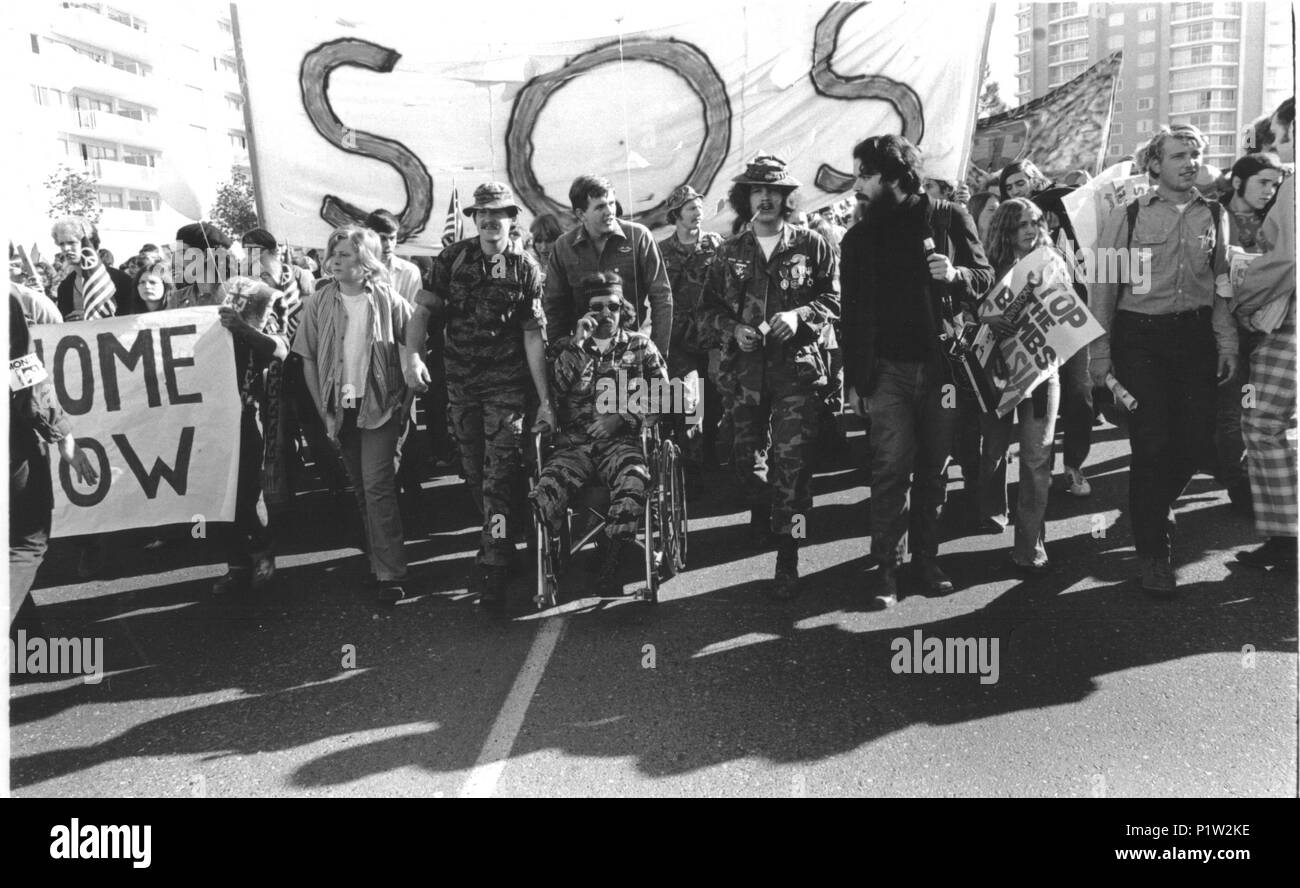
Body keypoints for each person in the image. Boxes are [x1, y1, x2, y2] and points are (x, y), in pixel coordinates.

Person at [841, 135, 993, 607]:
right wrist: (853, 381)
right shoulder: (858, 238)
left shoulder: (947, 217)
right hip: (886, 371)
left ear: (894, 177)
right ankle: (886, 567)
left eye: (865, 174)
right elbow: (851, 315)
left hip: (942, 368)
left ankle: (926, 559)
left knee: (934, 468)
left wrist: (956, 275)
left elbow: (985, 277)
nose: (857, 185)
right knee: (890, 468)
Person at [1090, 123, 1237, 597]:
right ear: (1154, 164)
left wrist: (1227, 341)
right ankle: (1153, 553)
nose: (1189, 162)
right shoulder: (1128, 215)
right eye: (1178, 155)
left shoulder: (1214, 214)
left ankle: (1155, 508)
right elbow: (1104, 289)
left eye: (1195, 153)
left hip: (1195, 338)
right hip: (1141, 340)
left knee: (1196, 442)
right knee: (1151, 445)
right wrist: (1100, 355)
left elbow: (1221, 286)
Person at [403, 182, 554, 608]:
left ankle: (494, 561)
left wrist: (543, 399)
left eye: (498, 213)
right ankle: (509, 531)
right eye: (481, 213)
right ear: (474, 218)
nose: (489, 220)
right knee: (472, 473)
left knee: (499, 475)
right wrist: (413, 356)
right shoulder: (453, 259)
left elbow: (531, 336)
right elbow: (423, 312)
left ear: (511, 218)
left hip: (506, 389)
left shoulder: (524, 267)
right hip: (461, 387)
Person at [697, 154, 840, 599]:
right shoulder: (728, 252)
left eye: (774, 192)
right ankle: (769, 515)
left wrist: (800, 317)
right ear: (745, 198)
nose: (765, 198)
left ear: (786, 198)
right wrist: (732, 329)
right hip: (743, 378)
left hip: (795, 374)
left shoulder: (812, 245)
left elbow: (833, 301)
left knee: (793, 465)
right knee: (744, 463)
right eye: (757, 190)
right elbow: (706, 312)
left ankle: (789, 551)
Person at [293, 226, 413, 605]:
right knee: (361, 487)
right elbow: (308, 358)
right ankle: (378, 564)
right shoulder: (318, 301)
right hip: (340, 409)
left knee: (377, 486)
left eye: (345, 254)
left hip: (379, 405)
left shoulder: (387, 299)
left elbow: (414, 343)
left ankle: (392, 572)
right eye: (333, 253)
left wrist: (406, 400)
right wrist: (324, 412)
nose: (336, 260)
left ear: (365, 262)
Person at [529, 273, 669, 597]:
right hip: (574, 446)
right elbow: (552, 393)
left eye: (613, 307)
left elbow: (666, 396)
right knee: (544, 492)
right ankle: (551, 564)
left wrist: (621, 417)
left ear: (624, 310)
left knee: (634, 479)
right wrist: (578, 346)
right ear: (585, 311)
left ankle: (613, 560)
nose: (606, 314)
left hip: (620, 443)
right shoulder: (567, 347)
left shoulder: (639, 345)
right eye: (597, 307)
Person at [976, 199, 1066, 572]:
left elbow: (1068, 313)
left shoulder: (1053, 261)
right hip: (997, 373)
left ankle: (1030, 544)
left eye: (1035, 222)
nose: (1030, 229)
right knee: (992, 453)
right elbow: (972, 309)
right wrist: (991, 319)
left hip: (1043, 373)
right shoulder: (987, 265)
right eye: (1020, 224)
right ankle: (993, 509)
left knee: (1036, 459)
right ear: (1005, 229)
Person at [1232, 97, 1297, 572]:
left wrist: (1240, 300)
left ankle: (1285, 537)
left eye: (1280, 134)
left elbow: (1286, 259)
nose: (1276, 144)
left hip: (1287, 320)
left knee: (1262, 424)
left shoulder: (1295, 186)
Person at [10, 295, 98, 626]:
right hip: (13, 449)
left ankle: (27, 641)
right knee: (24, 545)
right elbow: (31, 388)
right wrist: (66, 439)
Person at [1214, 152, 1285, 513]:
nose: (1270, 191)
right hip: (1226, 333)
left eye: (1275, 184)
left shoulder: (1277, 220)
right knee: (1232, 411)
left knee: (1257, 409)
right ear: (1239, 181)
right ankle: (1238, 484)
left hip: (1268, 332)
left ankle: (1250, 477)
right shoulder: (1213, 215)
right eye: (1263, 182)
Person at [211, 276, 291, 595]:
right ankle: (237, 566)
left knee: (244, 494)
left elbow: (280, 349)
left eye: (190, 255)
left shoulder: (248, 295)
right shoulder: (179, 301)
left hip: (242, 412)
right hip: (204, 417)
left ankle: (262, 552)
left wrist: (242, 328)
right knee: (217, 500)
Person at [543, 174, 673, 358]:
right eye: (600, 207)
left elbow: (662, 297)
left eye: (611, 203)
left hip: (634, 352)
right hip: (585, 356)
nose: (610, 211)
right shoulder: (564, 247)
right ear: (581, 214)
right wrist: (561, 354)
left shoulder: (639, 238)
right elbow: (553, 306)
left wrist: (657, 353)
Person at [657, 184, 725, 482]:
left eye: (699, 207)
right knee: (688, 405)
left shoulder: (716, 244)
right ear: (677, 215)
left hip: (711, 338)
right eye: (690, 209)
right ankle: (692, 470)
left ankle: (710, 456)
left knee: (715, 403)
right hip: (679, 341)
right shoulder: (663, 251)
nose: (697, 213)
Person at [51, 216, 142, 319]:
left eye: (72, 242)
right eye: (61, 244)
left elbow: (133, 319)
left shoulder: (121, 279)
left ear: (89, 243)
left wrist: (92, 317)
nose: (66, 248)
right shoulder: (65, 286)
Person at [365, 209, 422, 305]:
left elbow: (414, 312)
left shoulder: (410, 271)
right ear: (370, 237)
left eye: (392, 238)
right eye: (382, 238)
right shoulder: (356, 269)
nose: (388, 244)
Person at [529, 213, 565, 278]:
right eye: (539, 241)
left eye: (549, 241)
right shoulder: (529, 266)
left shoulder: (569, 265)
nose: (544, 247)